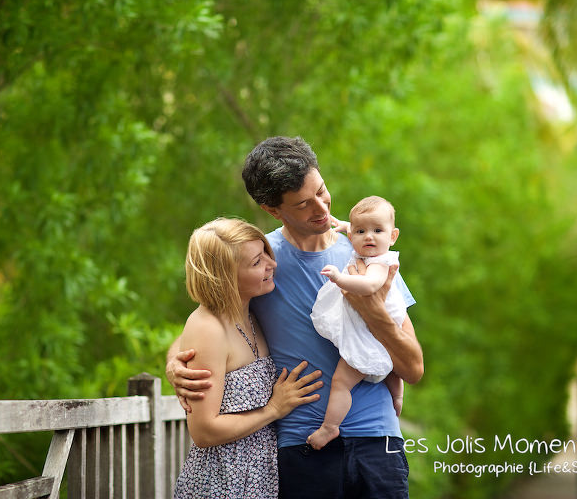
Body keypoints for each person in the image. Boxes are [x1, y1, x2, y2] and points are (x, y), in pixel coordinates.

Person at [167, 136, 424, 499]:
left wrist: (375, 315)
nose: (321, 208)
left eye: (322, 190)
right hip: (303, 445)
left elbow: (413, 368)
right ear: (273, 210)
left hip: (377, 439)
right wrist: (174, 363)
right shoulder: (259, 263)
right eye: (304, 204)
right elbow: (208, 320)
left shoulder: (367, 254)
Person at [172, 217, 323, 499]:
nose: (272, 263)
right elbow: (204, 431)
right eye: (257, 262)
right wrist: (274, 409)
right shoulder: (208, 328)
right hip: (222, 482)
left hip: (259, 478)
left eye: (266, 251)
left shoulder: (251, 314)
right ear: (225, 276)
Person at [307, 195, 408, 450]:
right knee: (390, 363)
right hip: (383, 334)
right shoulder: (368, 252)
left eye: (377, 230)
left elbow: (370, 285)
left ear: (393, 236)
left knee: (341, 382)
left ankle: (330, 427)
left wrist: (340, 279)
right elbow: (355, 230)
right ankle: (397, 395)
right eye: (361, 231)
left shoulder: (380, 263)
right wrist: (344, 226)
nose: (369, 237)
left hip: (370, 335)